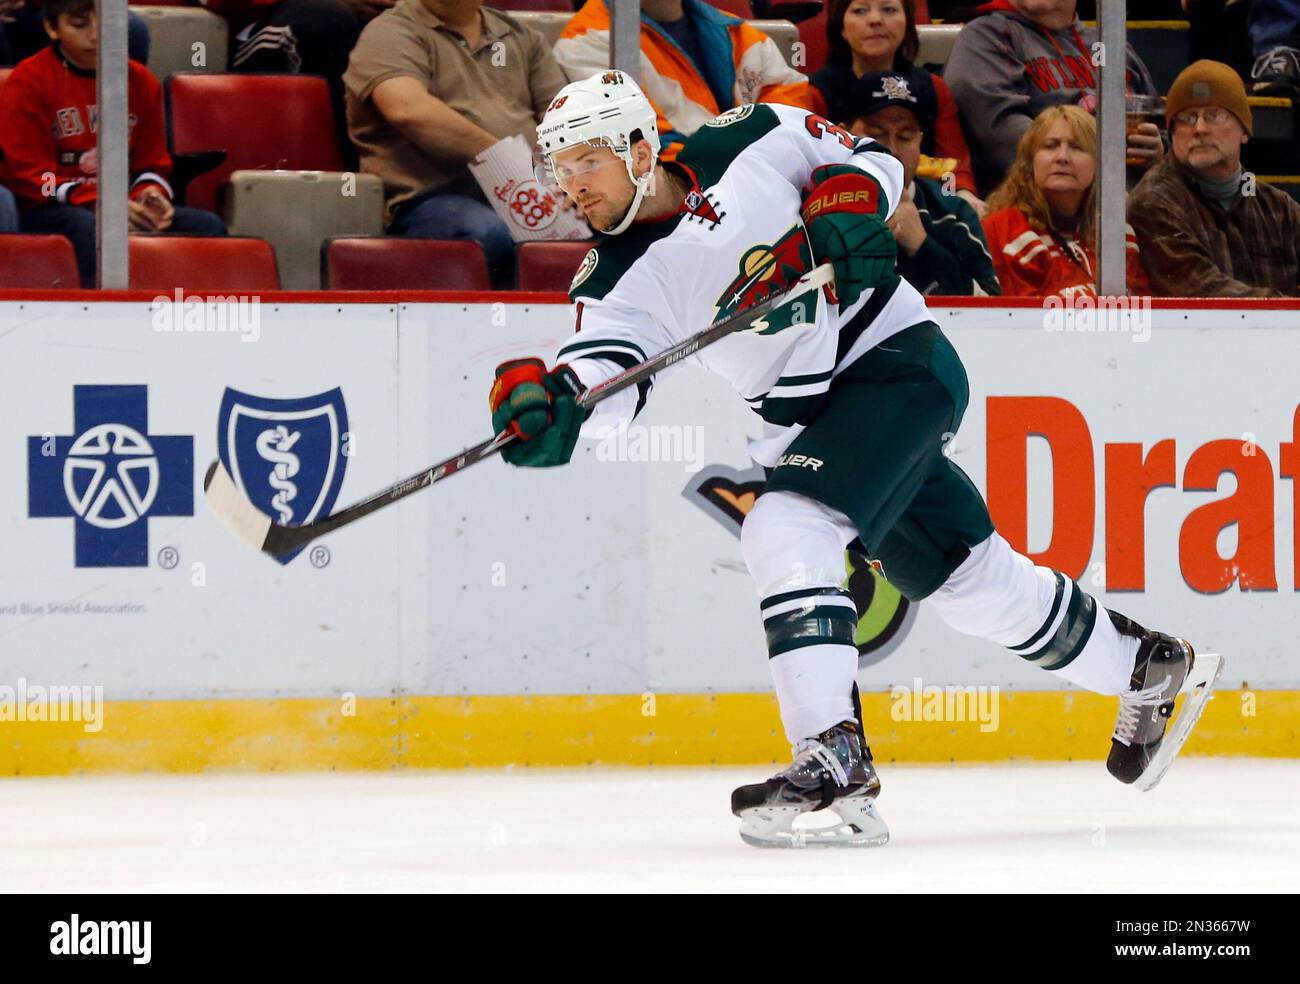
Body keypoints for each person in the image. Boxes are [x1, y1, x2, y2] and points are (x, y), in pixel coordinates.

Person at [486, 71, 1213, 847]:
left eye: (585, 162)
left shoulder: (743, 136)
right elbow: (608, 377)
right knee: (970, 580)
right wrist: (559, 400)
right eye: (558, 168)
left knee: (783, 527)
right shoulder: (613, 281)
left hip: (895, 362)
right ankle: (1146, 667)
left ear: (638, 148)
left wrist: (847, 200)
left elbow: (871, 159)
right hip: (813, 426)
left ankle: (834, 758)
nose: (571, 186)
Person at [344, 0, 568, 289]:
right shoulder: (390, 32)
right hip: (431, 199)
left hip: (529, 192)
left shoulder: (521, 36)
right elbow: (409, 110)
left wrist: (571, 180)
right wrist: (505, 159)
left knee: (611, 225)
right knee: (485, 232)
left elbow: (566, 122)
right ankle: (496, 329)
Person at [0, 0, 226, 287]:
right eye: (80, 25)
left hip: (122, 206)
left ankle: (192, 321)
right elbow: (31, 179)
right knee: (88, 228)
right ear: (51, 27)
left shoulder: (142, 82)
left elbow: (153, 163)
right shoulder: (28, 82)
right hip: (51, 209)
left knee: (206, 226)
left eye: (106, 23)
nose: (96, 34)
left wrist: (151, 196)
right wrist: (97, 203)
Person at [943, 0, 1163, 195]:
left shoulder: (1111, 45)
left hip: (1133, 208)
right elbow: (1007, 137)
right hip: (1034, 212)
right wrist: (1093, 156)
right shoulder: (987, 36)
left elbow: (1162, 127)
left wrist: (1159, 151)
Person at [1128, 60, 1300, 297]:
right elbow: (1208, 295)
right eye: (1187, 118)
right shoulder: (1152, 203)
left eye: (1213, 115)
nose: (1199, 128)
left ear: (1244, 131)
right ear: (1172, 132)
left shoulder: (1278, 207)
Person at [553, 0, 818, 154]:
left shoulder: (735, 30)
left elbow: (793, 106)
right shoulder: (588, 40)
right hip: (671, 204)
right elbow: (642, 143)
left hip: (756, 185)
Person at [811, 0, 984, 214]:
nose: (875, 20)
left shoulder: (933, 87)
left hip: (926, 204)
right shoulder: (815, 91)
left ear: (908, 23)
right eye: (860, 11)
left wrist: (962, 194)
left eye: (889, 9)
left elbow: (954, 163)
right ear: (842, 27)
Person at [847, 70, 999, 294]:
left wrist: (922, 246)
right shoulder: (814, 206)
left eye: (905, 136)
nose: (891, 150)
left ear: (920, 140)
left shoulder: (953, 214)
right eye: (877, 134)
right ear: (843, 134)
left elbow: (995, 315)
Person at [982, 105, 1149, 298]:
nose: (1062, 157)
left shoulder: (1118, 233)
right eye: (1050, 146)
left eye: (1077, 147)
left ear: (1100, 164)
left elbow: (1142, 313)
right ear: (1030, 162)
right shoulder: (1003, 230)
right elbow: (1022, 321)